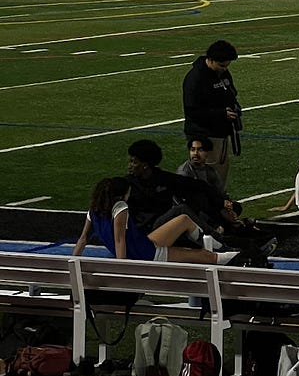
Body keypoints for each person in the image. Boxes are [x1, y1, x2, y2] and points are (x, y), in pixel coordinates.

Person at [72, 176, 270, 266]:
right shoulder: (120, 207)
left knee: (184, 218)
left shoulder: (94, 211)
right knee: (204, 257)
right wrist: (124, 271)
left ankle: (220, 245)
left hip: (143, 244)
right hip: (146, 254)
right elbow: (119, 240)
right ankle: (239, 253)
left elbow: (82, 240)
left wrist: (73, 261)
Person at [126, 138, 231, 243]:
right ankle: (217, 239)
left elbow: (198, 185)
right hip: (146, 230)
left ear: (145, 165)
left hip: (165, 225)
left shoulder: (162, 178)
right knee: (181, 209)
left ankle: (225, 226)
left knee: (198, 197)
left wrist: (222, 203)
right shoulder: (128, 184)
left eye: (133, 162)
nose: (129, 166)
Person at [181, 39, 243, 187]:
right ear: (211, 60)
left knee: (220, 175)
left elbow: (230, 93)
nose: (224, 68)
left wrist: (235, 107)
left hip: (220, 133)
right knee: (207, 177)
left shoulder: (223, 73)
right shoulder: (195, 78)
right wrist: (221, 114)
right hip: (204, 134)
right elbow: (192, 111)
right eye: (222, 65)